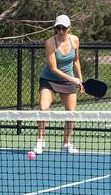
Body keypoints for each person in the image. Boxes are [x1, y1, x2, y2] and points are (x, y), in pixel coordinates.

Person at [34, 14, 85, 154]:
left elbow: (76, 60)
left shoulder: (75, 40)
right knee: (43, 109)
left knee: (71, 113)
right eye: (58, 28)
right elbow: (53, 68)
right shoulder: (50, 43)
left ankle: (67, 143)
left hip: (68, 81)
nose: (61, 31)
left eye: (63, 28)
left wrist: (80, 80)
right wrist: (72, 79)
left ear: (69, 28)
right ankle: (40, 141)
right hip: (49, 80)